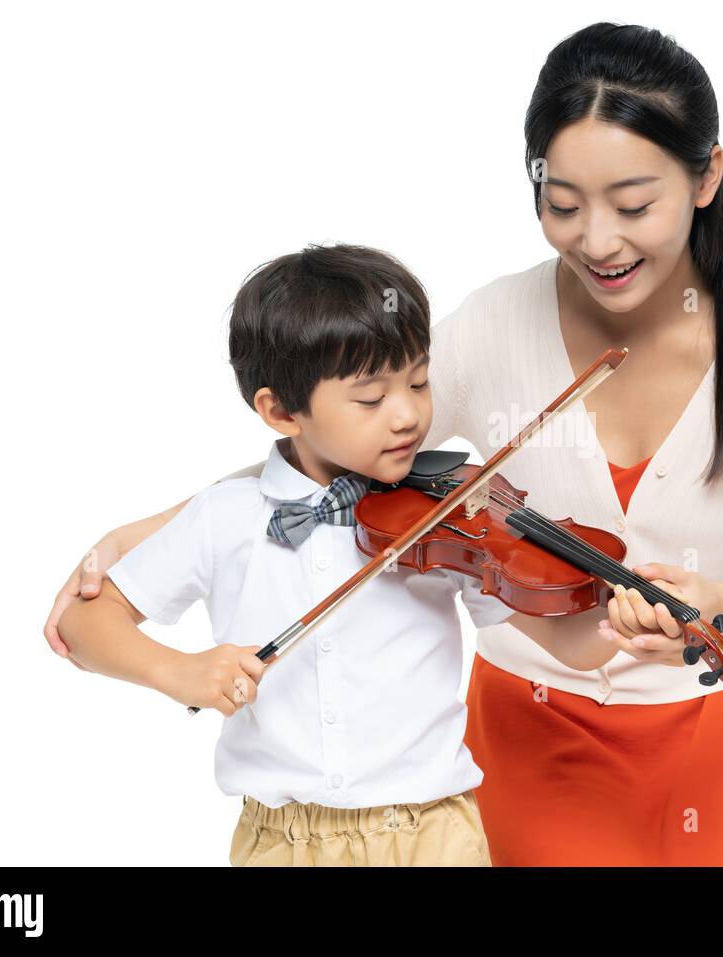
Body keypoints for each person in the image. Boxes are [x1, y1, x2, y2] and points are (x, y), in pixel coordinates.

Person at [47, 22, 723, 865]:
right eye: (562, 205)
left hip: (719, 744)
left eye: (633, 205)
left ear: (707, 176)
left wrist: (718, 608)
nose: (596, 240)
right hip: (530, 739)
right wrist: (136, 540)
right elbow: (342, 439)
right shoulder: (494, 323)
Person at [56, 243, 622, 866]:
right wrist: (177, 671)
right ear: (279, 410)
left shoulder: (451, 519)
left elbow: (576, 645)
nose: (409, 414)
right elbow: (84, 622)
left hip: (430, 835)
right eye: (371, 399)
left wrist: (625, 617)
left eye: (418, 381)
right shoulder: (224, 517)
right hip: (281, 842)